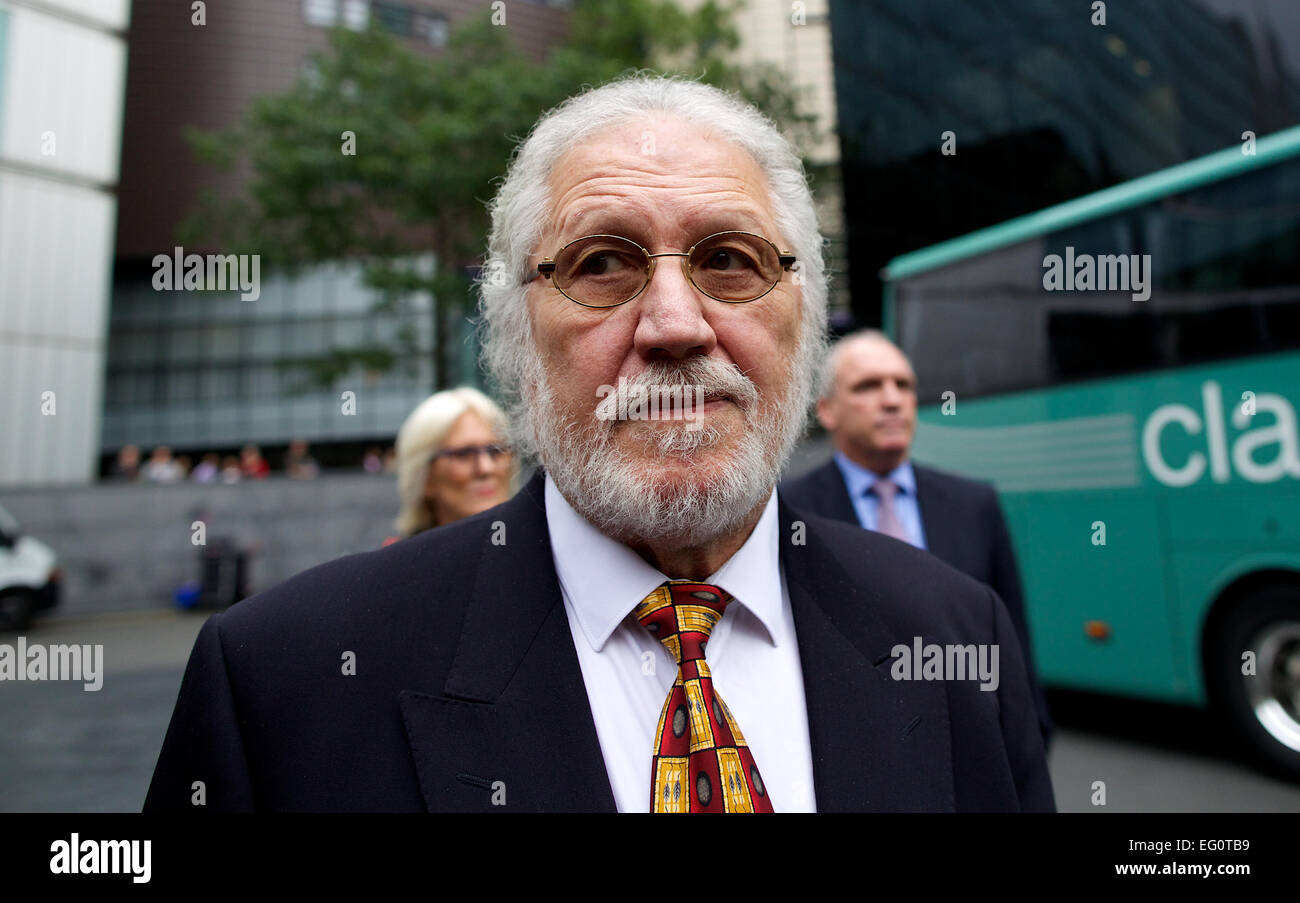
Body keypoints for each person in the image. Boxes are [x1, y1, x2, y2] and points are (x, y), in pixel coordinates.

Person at [145, 75, 1053, 813]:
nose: (672, 323)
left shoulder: (954, 635)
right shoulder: (282, 682)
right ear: (514, 339)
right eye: (602, 263)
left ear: (803, 322)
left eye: (730, 260)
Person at [780, 330, 1054, 747]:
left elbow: (1010, 634)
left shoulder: (975, 503)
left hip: (971, 744)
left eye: (903, 385)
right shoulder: (790, 513)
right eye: (868, 386)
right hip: (857, 750)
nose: (892, 400)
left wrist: (1030, 735)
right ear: (827, 410)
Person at [389, 388, 516, 541]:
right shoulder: (399, 563)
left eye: (496, 450)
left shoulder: (544, 551)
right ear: (424, 476)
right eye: (463, 454)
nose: (486, 468)